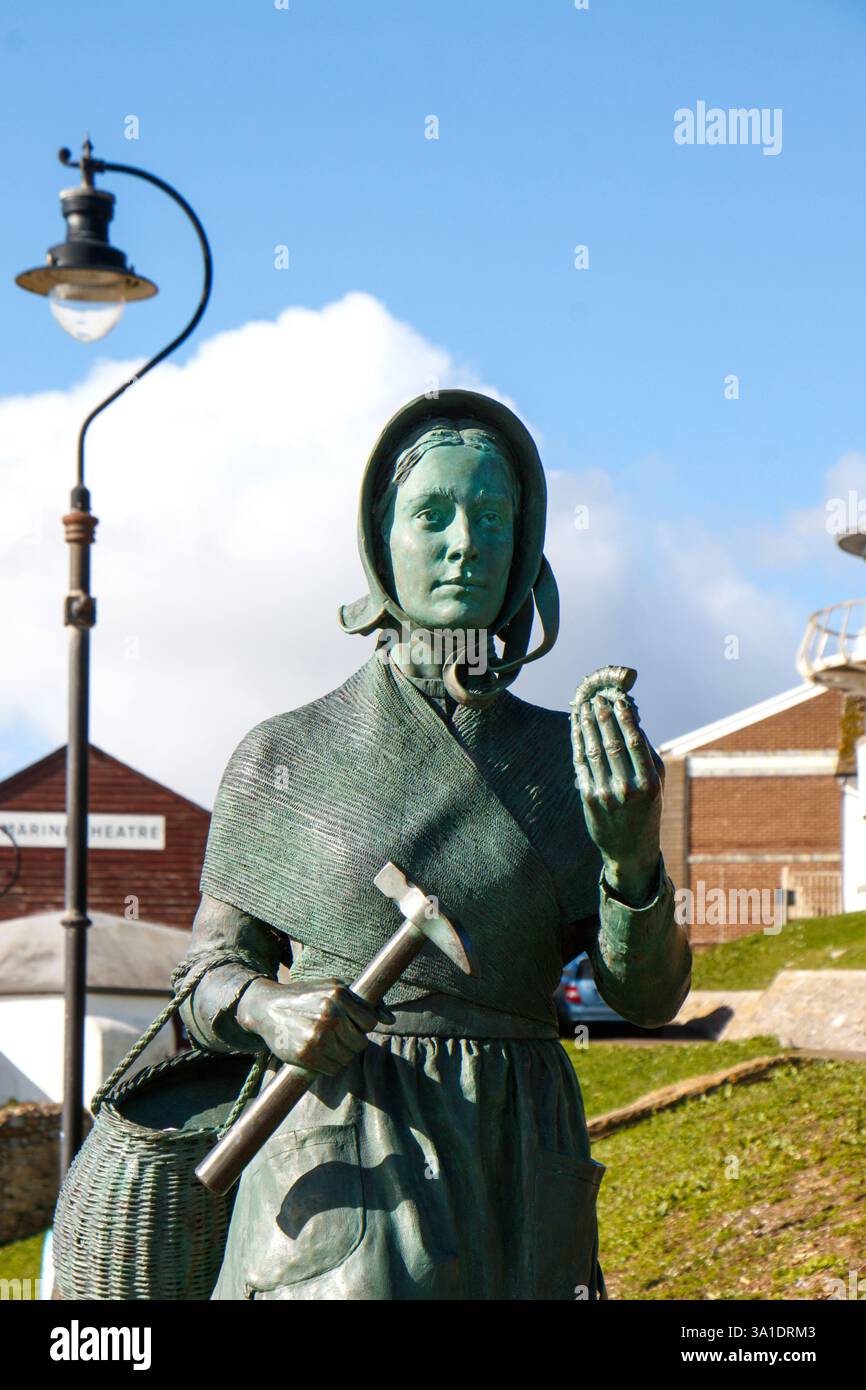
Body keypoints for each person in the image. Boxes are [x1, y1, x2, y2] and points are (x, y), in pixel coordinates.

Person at [171, 389, 692, 1300]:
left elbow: (647, 1002)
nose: (465, 541)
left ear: (525, 548)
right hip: (344, 1150)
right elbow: (206, 978)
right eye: (433, 514)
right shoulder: (287, 751)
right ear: (383, 541)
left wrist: (631, 861)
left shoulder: (565, 763)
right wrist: (272, 1011)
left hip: (519, 1161)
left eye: (494, 517)